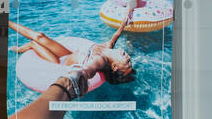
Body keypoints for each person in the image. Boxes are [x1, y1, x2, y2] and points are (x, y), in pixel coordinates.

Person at [8, 15, 137, 94]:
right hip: (67, 54)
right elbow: (115, 36)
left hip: (59, 63)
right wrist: (123, 25)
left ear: (114, 66)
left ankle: (17, 45)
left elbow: (90, 69)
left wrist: (81, 73)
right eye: (129, 60)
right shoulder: (108, 48)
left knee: (34, 42)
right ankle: (11, 29)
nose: (128, 57)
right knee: (40, 36)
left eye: (127, 62)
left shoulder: (101, 59)